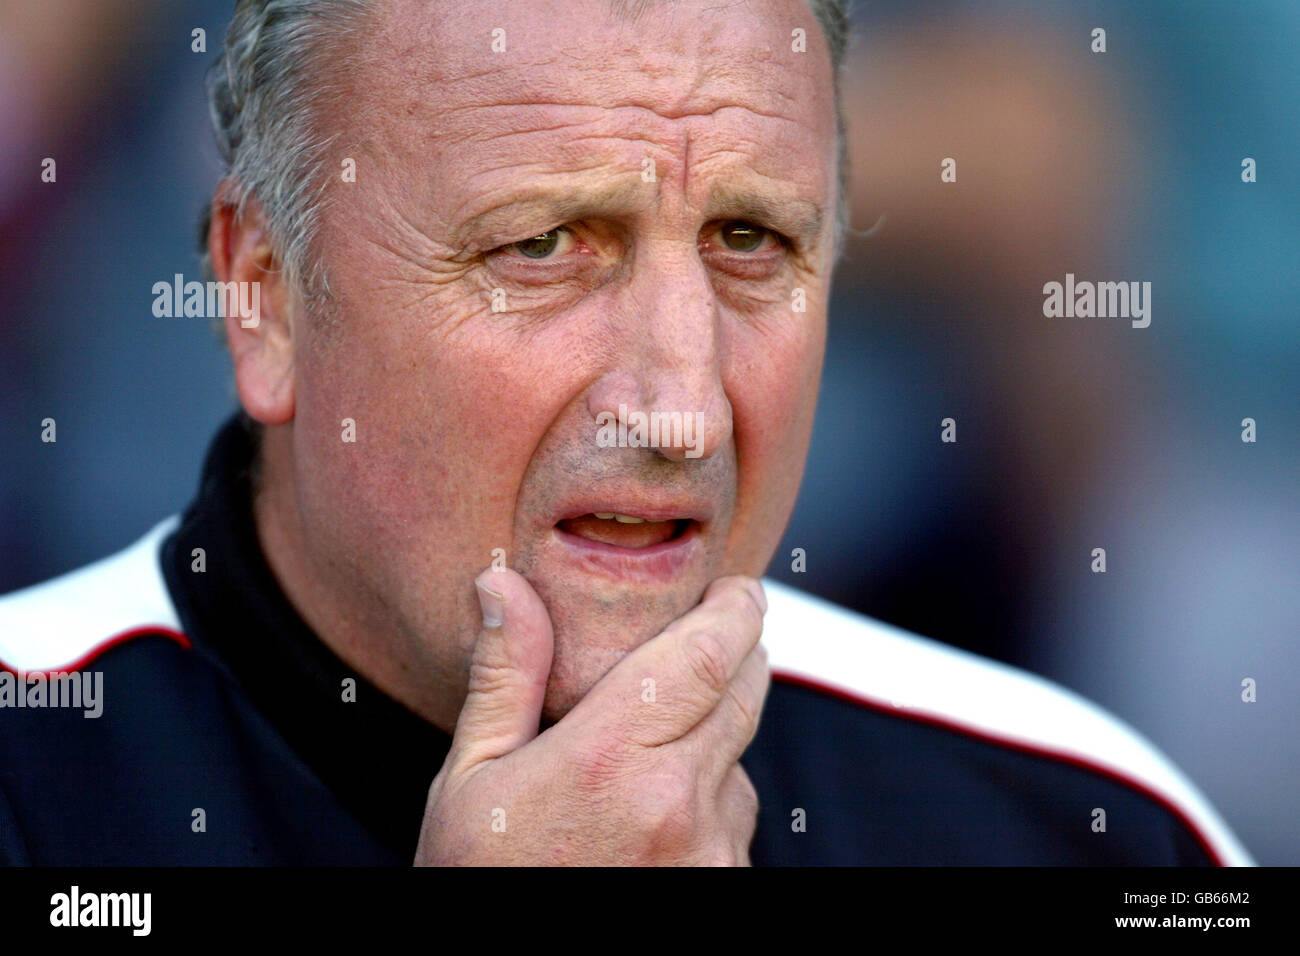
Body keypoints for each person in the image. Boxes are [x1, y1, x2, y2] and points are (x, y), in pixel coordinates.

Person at [0, 0, 1251, 866]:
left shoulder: (1085, 822)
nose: (680, 407)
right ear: (264, 297)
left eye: (751, 241)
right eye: (542, 247)